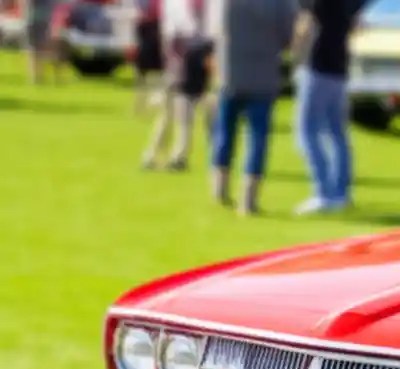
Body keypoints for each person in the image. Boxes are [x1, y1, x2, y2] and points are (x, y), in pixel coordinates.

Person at [207, 0, 297, 215]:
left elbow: (214, 28)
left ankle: (219, 189)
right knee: (257, 137)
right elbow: (288, 36)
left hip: (231, 72)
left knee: (225, 133)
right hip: (263, 73)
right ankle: (248, 199)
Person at [293, 0, 368, 215]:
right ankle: (340, 193)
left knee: (307, 131)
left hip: (318, 65)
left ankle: (324, 192)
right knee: (337, 132)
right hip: (339, 66)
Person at [141, 0, 213, 171]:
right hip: (186, 52)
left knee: (172, 110)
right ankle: (178, 154)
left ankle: (155, 154)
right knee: (182, 109)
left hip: (185, 52)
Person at [133, 0, 165, 115]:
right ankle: (140, 105)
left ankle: (155, 99)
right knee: (143, 70)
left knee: (158, 69)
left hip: (156, 26)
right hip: (148, 27)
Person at [21, 0, 57, 84]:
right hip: (34, 21)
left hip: (38, 21)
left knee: (37, 49)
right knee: (34, 49)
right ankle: (36, 76)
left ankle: (37, 76)